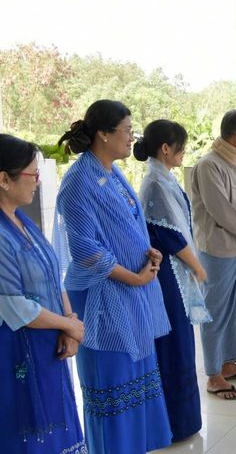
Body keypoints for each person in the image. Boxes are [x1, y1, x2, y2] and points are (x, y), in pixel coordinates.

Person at [56, 100, 173, 452]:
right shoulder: (78, 181)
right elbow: (87, 251)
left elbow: (129, 227)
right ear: (104, 135)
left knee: (137, 380)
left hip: (131, 294)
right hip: (102, 300)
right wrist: (136, 278)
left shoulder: (114, 172)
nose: (132, 137)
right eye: (126, 130)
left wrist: (148, 254)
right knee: (113, 385)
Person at [0, 134, 87, 454]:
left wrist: (69, 320)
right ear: (4, 180)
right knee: (27, 433)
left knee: (56, 425)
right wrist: (67, 326)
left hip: (47, 343)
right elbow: (13, 305)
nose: (37, 182)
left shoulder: (22, 220)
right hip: (15, 351)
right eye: (32, 174)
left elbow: (53, 272)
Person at [135, 120, 209, 441]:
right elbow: (170, 235)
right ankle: (174, 424)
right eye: (180, 146)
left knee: (181, 343)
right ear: (166, 148)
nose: (183, 152)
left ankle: (183, 420)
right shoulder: (154, 182)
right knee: (174, 344)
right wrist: (197, 267)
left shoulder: (162, 178)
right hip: (167, 277)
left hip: (172, 273)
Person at [191, 109, 236, 400]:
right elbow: (222, 211)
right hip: (217, 251)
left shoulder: (229, 162)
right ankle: (213, 374)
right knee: (216, 313)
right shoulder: (209, 166)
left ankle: (229, 364)